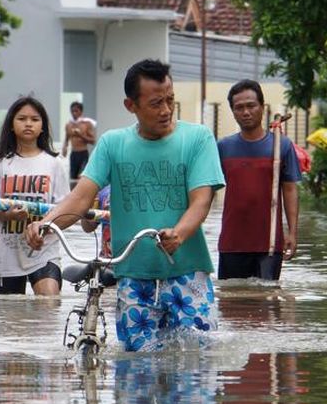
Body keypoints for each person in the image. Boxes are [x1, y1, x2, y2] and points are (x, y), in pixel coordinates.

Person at [26, 59, 225, 352]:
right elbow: (80, 198)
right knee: (136, 368)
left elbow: (201, 200)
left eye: (170, 100)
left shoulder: (198, 138)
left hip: (188, 274)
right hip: (132, 277)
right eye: (156, 103)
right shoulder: (112, 144)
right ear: (131, 105)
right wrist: (46, 225)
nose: (166, 110)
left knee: (199, 361)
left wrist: (179, 233)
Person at [0, 96, 70, 296]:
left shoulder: (55, 163)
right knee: (6, 313)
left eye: (35, 119)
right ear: (11, 125)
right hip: (7, 253)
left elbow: (66, 209)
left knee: (49, 302)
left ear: (43, 126)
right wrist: (6, 215)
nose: (28, 123)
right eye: (22, 119)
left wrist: (44, 227)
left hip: (44, 248)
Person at [216, 79, 302, 281]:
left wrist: (292, 233)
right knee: (232, 298)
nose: (246, 112)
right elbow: (207, 191)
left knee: (267, 298)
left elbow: (290, 190)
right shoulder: (223, 147)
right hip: (232, 243)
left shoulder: (282, 146)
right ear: (233, 111)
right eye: (239, 108)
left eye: (251, 106)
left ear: (262, 107)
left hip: (269, 244)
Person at [61, 101, 97, 186]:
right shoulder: (69, 125)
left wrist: (81, 135)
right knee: (73, 178)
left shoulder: (86, 124)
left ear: (81, 111)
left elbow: (93, 141)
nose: (74, 113)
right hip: (74, 154)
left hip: (83, 153)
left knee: (81, 177)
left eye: (76, 111)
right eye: (72, 111)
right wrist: (64, 149)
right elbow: (66, 139)